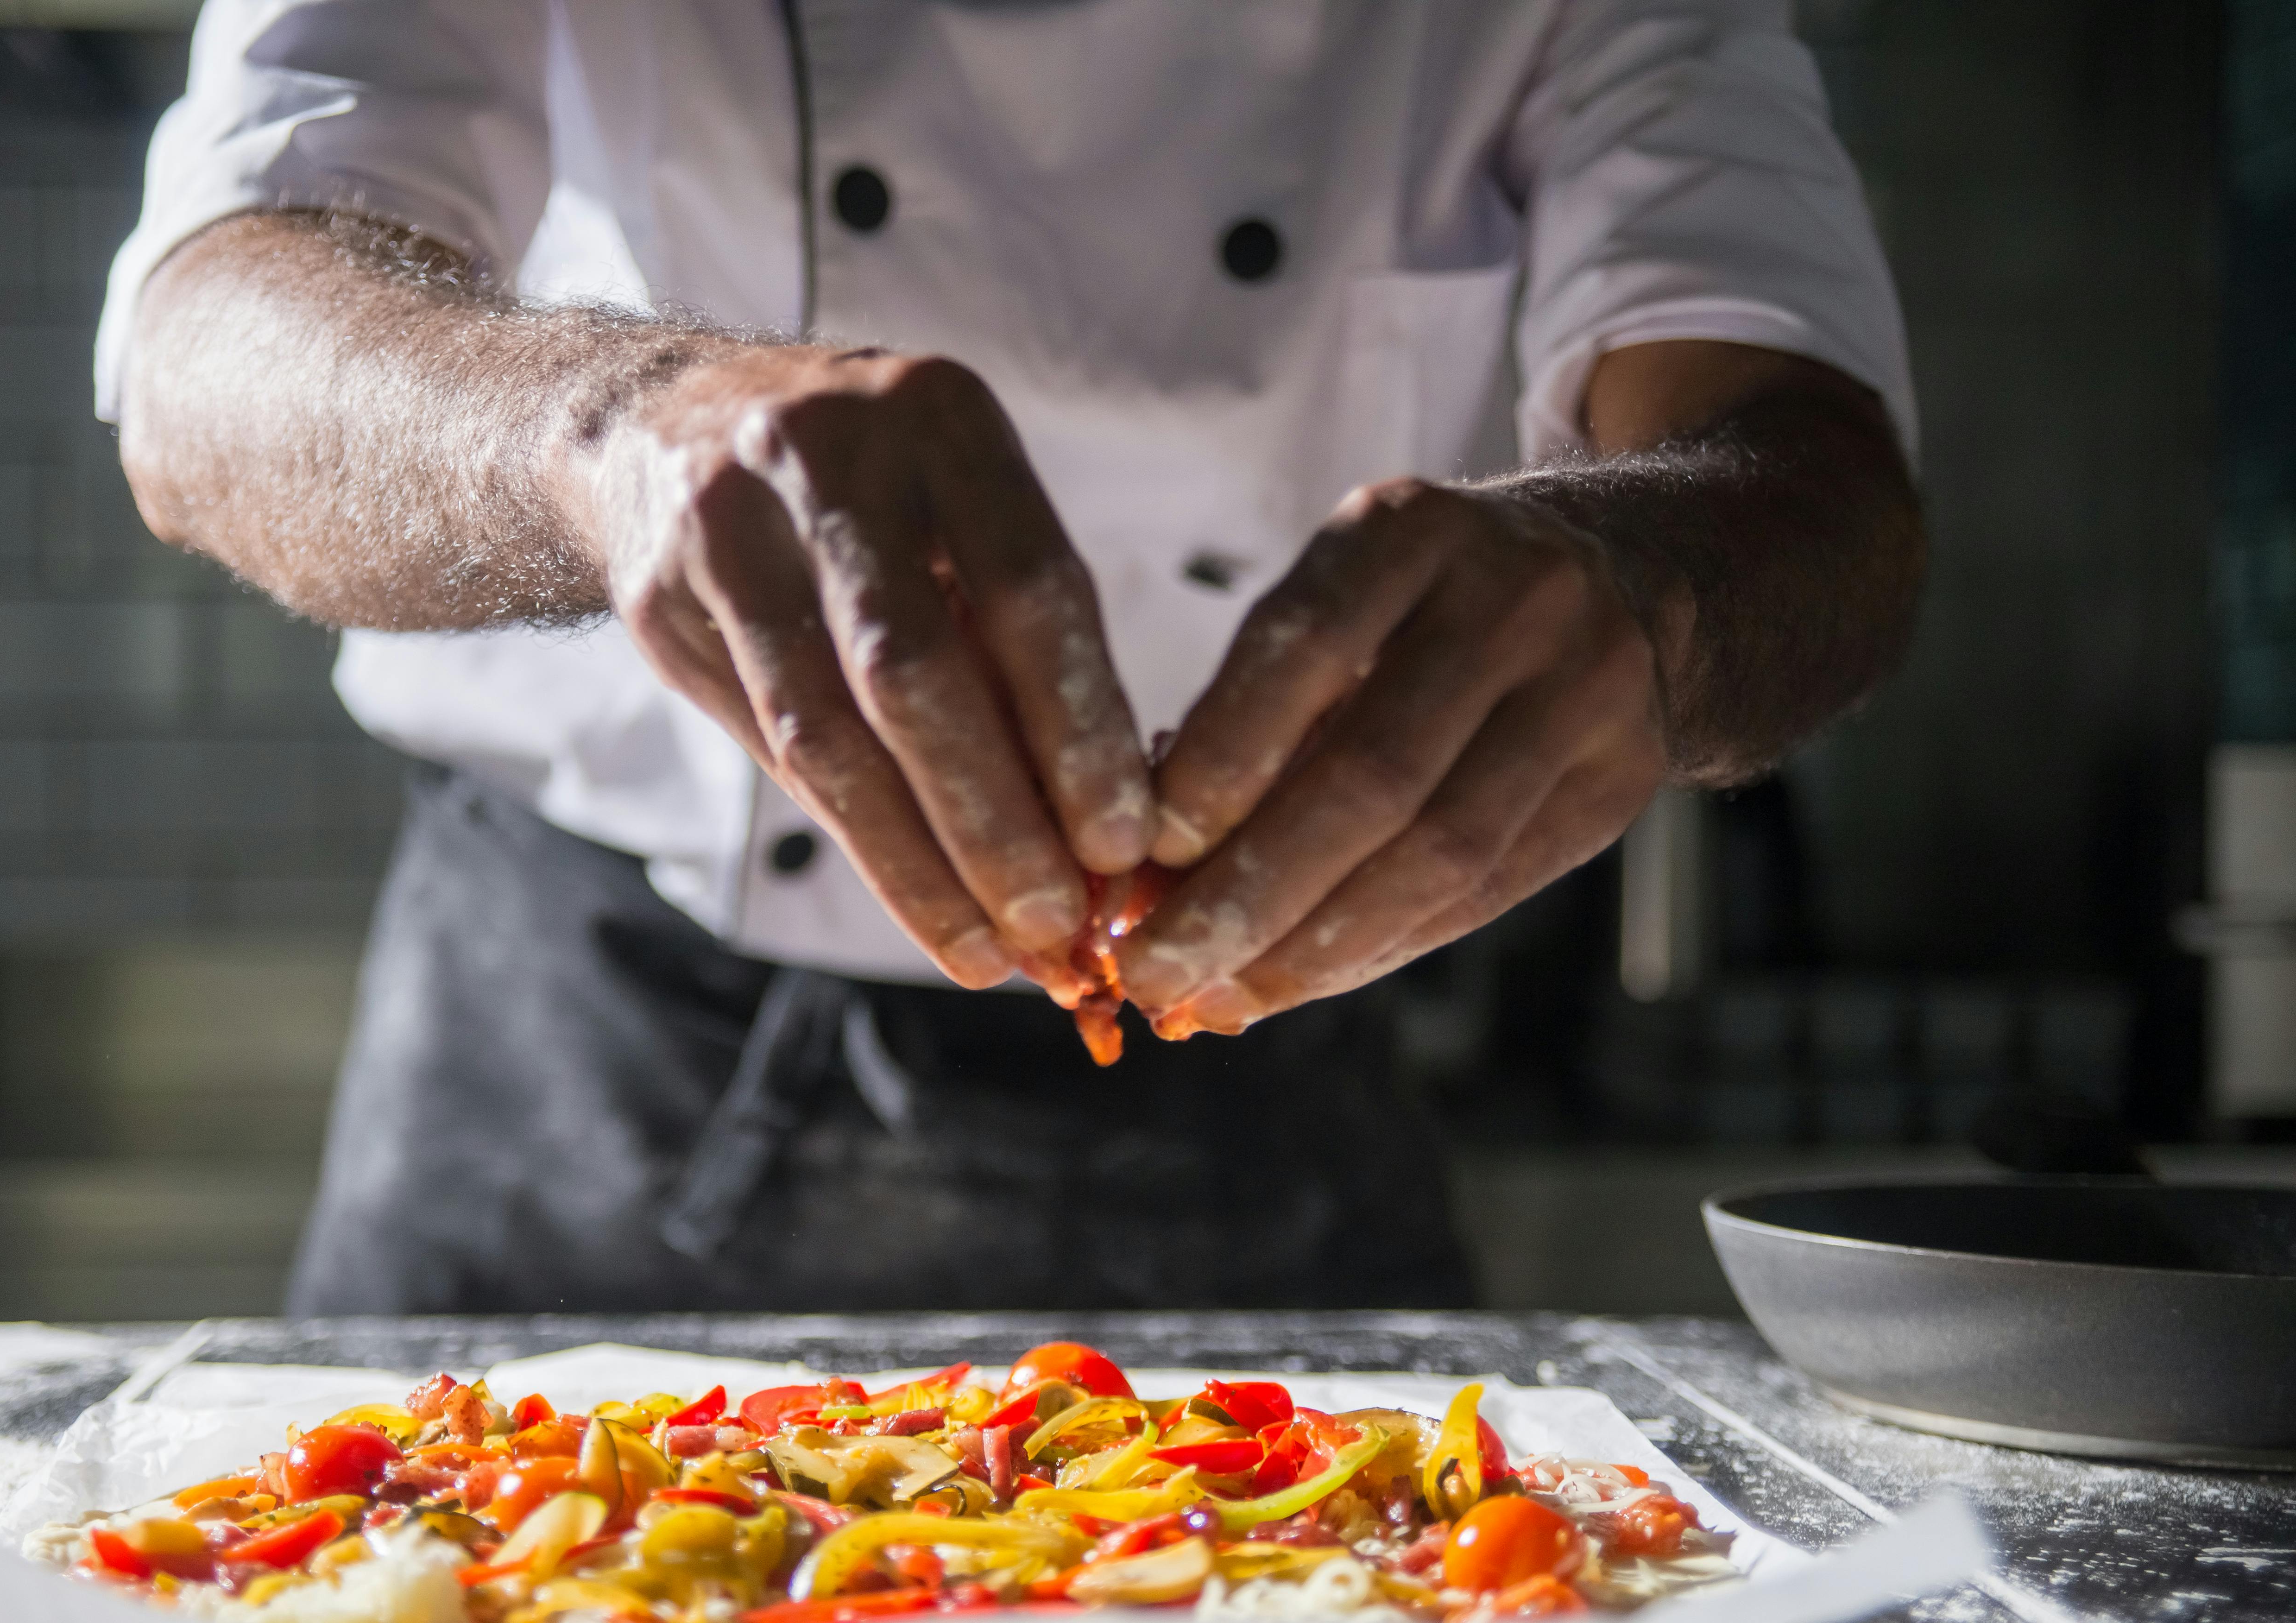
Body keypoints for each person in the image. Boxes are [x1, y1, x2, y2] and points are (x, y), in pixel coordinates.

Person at [100, 1, 1924, 1316]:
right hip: (571, 1058)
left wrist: (1645, 585)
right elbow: (210, 360)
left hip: (1258, 1058)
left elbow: (1813, 475)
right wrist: (606, 437)